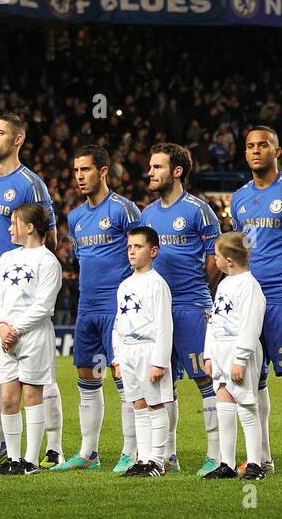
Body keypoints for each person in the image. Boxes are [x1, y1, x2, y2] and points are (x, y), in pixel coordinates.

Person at [0, 113, 56, 467]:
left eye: (0, 132)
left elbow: (47, 230)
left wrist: (39, 275)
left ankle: (50, 445)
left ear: (17, 139)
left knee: (36, 373)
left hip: (22, 281)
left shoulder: (30, 183)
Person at [231, 126, 282, 477]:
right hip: (249, 296)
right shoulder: (238, 198)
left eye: (262, 145)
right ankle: (261, 457)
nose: (255, 151)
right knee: (254, 379)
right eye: (250, 146)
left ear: (277, 151)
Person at [53, 144, 141, 473]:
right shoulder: (75, 217)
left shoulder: (123, 210)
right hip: (86, 306)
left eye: (85, 169)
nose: (79, 176)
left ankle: (130, 451)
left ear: (103, 171)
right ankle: (89, 453)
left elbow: (140, 254)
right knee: (86, 376)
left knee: (123, 379)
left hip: (117, 308)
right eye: (76, 170)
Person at [136, 142, 223, 476]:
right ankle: (167, 455)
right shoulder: (148, 214)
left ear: (177, 171)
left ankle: (215, 454)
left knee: (206, 378)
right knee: (161, 383)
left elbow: (214, 259)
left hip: (191, 307)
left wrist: (197, 288)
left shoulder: (198, 210)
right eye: (150, 166)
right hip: (158, 312)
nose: (151, 172)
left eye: (157, 167)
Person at [0, 203, 61, 475]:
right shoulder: (6, 258)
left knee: (32, 395)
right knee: (8, 398)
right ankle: (14, 459)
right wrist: (0, 325)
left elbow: (44, 306)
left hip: (33, 336)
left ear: (29, 227)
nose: (9, 227)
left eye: (13, 222)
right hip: (6, 336)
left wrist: (13, 328)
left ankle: (29, 461)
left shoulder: (48, 261)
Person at [202, 231, 267, 480]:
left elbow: (252, 326)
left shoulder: (250, 286)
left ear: (228, 260)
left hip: (241, 352)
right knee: (224, 407)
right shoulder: (225, 284)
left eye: (217, 256)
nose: (214, 260)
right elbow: (215, 320)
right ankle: (226, 463)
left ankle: (254, 464)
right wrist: (209, 354)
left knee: (247, 407)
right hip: (220, 350)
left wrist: (240, 358)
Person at [111, 226, 173, 478]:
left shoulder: (157, 284)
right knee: (137, 404)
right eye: (129, 247)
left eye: (138, 246)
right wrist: (116, 357)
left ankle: (157, 461)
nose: (132, 251)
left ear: (153, 251)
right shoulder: (125, 284)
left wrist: (159, 361)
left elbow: (164, 325)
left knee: (155, 404)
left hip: (148, 350)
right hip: (128, 351)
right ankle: (143, 458)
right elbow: (118, 323)